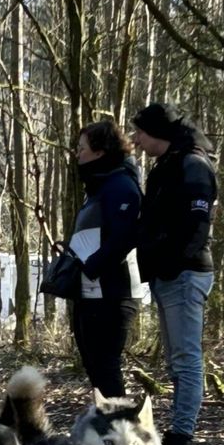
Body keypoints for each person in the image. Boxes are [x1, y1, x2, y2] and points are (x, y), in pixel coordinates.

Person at [133, 102, 217, 445]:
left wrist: (171, 263)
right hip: (168, 276)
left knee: (186, 360)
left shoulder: (192, 165)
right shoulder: (168, 165)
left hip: (184, 274)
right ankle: (179, 434)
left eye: (141, 132)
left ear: (159, 133)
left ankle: (182, 438)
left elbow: (197, 224)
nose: (136, 139)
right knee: (176, 361)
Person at [67, 119, 144, 399]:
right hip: (90, 292)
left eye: (82, 148)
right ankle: (106, 421)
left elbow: (124, 237)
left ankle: (119, 422)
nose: (77, 154)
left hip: (114, 292)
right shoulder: (99, 187)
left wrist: (92, 266)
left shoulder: (121, 185)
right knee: (94, 367)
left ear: (100, 152)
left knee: (105, 367)